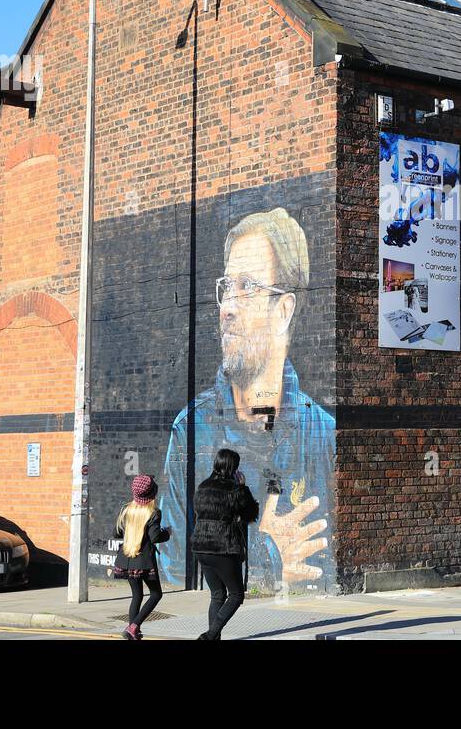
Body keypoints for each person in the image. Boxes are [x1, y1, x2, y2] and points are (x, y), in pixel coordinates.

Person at [158, 208, 336, 593]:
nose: (228, 307)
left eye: (248, 287)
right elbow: (173, 569)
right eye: (227, 288)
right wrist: (269, 555)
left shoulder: (324, 434)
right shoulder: (191, 429)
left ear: (283, 311)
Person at [193, 448, 260, 640]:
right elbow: (250, 514)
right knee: (236, 595)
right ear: (233, 467)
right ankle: (209, 636)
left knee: (217, 595)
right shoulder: (234, 489)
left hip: (200, 545)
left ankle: (213, 638)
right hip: (223, 546)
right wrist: (243, 486)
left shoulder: (203, 486)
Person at [112, 475, 171, 640]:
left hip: (126, 558)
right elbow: (155, 537)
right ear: (152, 493)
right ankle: (133, 626)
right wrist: (167, 532)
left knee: (136, 596)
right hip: (143, 562)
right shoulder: (153, 513)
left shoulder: (126, 509)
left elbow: (116, 532)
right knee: (156, 594)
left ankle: (133, 632)